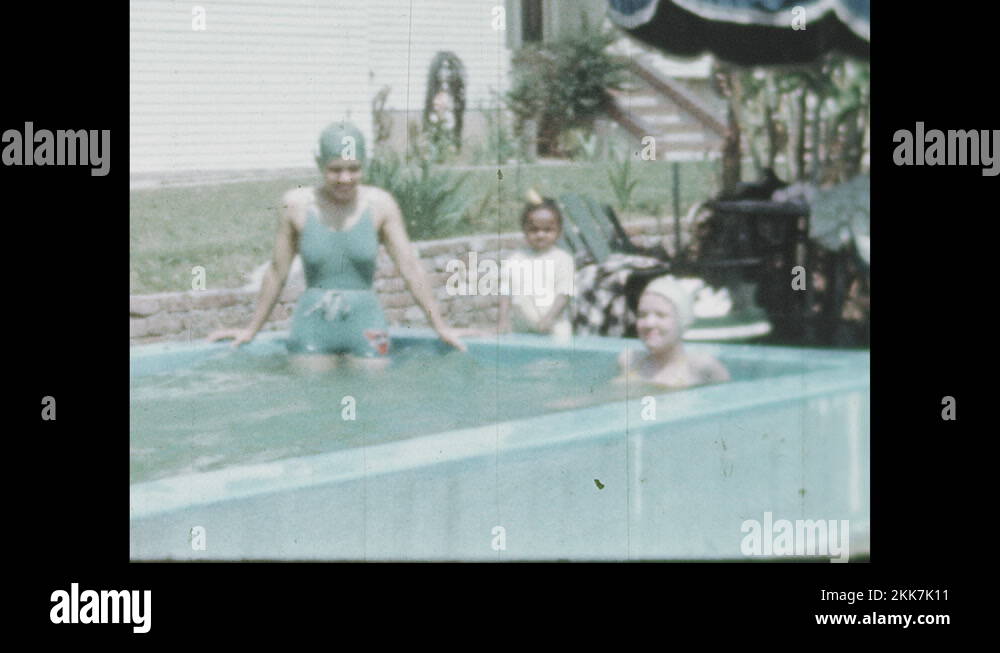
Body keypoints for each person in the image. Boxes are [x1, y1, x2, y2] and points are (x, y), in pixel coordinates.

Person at [208, 122, 466, 371]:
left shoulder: (380, 205)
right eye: (335, 169)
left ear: (364, 164)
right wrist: (251, 329)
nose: (345, 178)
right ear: (320, 164)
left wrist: (440, 326)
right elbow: (277, 272)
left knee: (372, 403)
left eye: (353, 168)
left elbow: (410, 268)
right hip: (313, 325)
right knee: (314, 404)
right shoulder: (296, 205)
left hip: (366, 323)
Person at [618, 276, 729, 388]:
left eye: (661, 315)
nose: (649, 323)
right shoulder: (630, 361)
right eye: (642, 315)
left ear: (681, 321)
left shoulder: (702, 367)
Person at [497, 192, 575, 341]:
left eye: (547, 230)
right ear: (524, 230)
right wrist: (503, 320)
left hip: (554, 328)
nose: (540, 235)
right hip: (522, 328)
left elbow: (564, 293)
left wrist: (550, 317)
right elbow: (505, 292)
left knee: (555, 362)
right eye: (534, 230)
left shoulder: (563, 260)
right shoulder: (515, 259)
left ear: (558, 231)